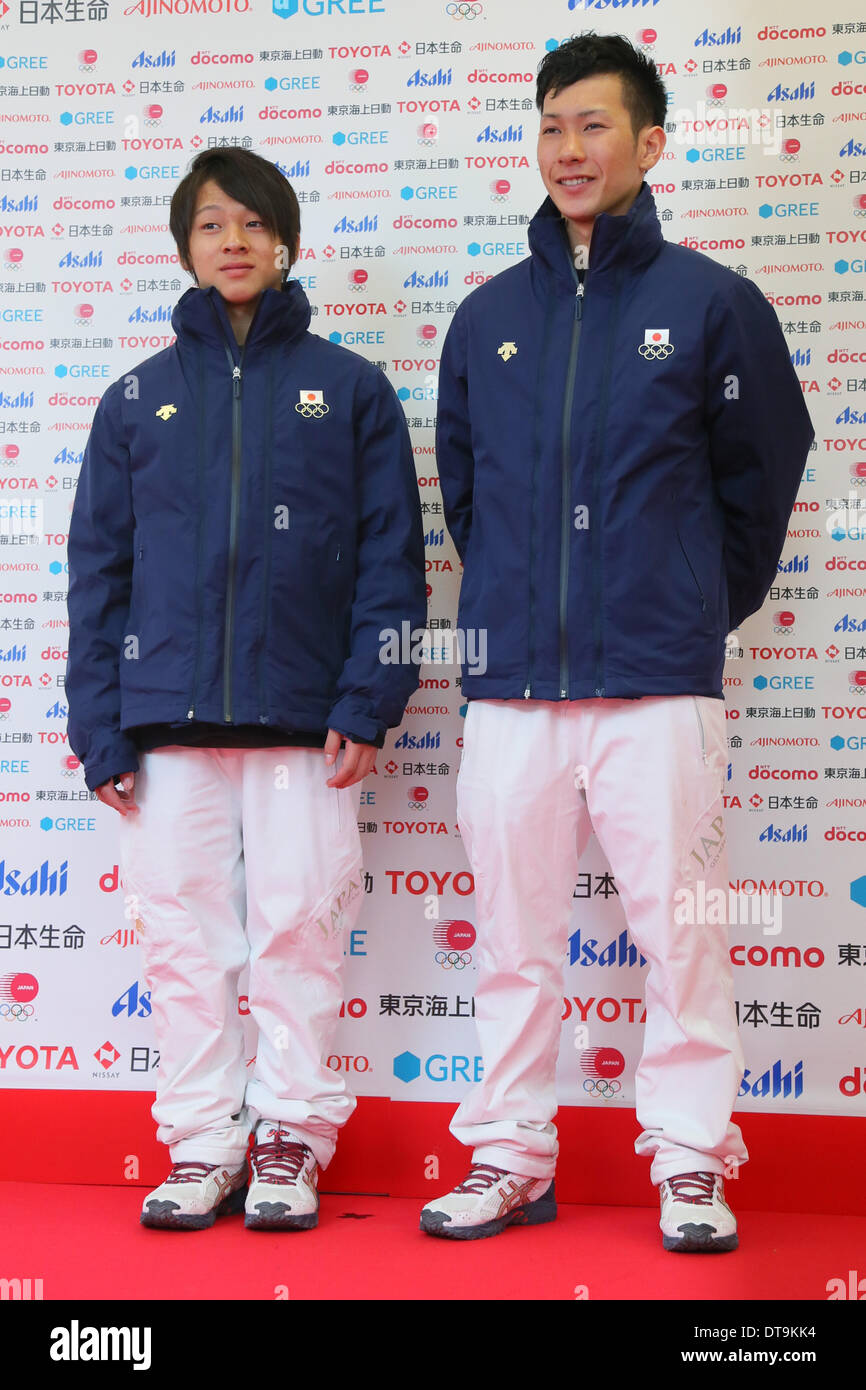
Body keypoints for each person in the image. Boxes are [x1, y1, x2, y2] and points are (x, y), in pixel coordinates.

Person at [422, 33, 815, 1248]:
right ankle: (508, 1155)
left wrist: (683, 603)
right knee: (512, 942)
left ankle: (689, 1158)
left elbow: (760, 477)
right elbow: (469, 494)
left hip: (655, 685)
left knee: (679, 932)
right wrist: (521, 603)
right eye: (550, 126)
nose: (567, 149)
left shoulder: (710, 302)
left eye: (591, 125)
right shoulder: (487, 316)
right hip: (513, 690)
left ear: (648, 143)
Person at [66, 146, 425, 1232]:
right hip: (164, 728)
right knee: (183, 945)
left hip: (302, 724)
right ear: (186, 245)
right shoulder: (136, 400)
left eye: (253, 223)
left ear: (286, 242)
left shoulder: (350, 390)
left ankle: (289, 1139)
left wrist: (367, 699)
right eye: (212, 224)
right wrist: (99, 728)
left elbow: (391, 560)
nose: (234, 241)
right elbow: (97, 573)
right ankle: (202, 1142)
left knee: (298, 933)